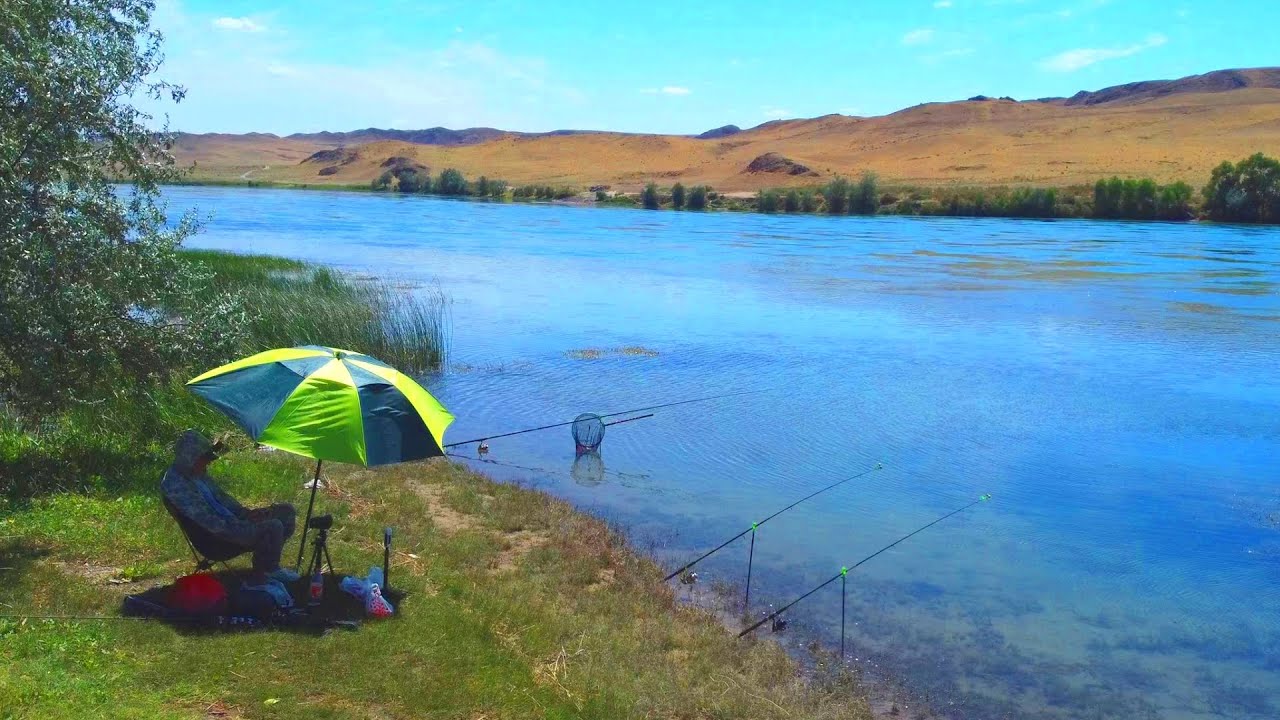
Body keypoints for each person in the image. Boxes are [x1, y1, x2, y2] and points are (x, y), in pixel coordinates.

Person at [161, 430, 298, 602]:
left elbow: (223, 500)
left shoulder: (198, 475)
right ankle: (265, 573)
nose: (207, 464)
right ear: (191, 457)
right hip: (217, 539)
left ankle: (267, 566)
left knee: (285, 512)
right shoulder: (176, 485)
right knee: (274, 526)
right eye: (204, 459)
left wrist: (246, 514)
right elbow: (210, 523)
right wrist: (242, 524)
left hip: (233, 524)